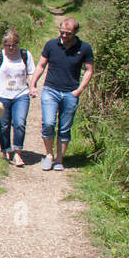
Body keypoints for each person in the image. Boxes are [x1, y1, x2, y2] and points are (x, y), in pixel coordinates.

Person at [30, 16, 95, 171]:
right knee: (48, 123)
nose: (64, 36)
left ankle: (59, 159)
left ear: (76, 32)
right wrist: (33, 84)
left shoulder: (84, 48)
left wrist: (79, 90)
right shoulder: (51, 45)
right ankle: (49, 155)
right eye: (62, 32)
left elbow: (89, 70)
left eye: (68, 33)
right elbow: (41, 65)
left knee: (65, 128)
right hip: (50, 90)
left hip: (70, 92)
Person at [0, 28, 34, 167]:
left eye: (14, 44)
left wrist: (32, 86)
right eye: (8, 45)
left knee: (19, 123)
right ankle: (6, 150)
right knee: (4, 125)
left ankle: (18, 154)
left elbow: (31, 73)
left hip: (21, 94)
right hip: (3, 95)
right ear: (4, 44)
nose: (11, 48)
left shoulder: (25, 55)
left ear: (18, 44)